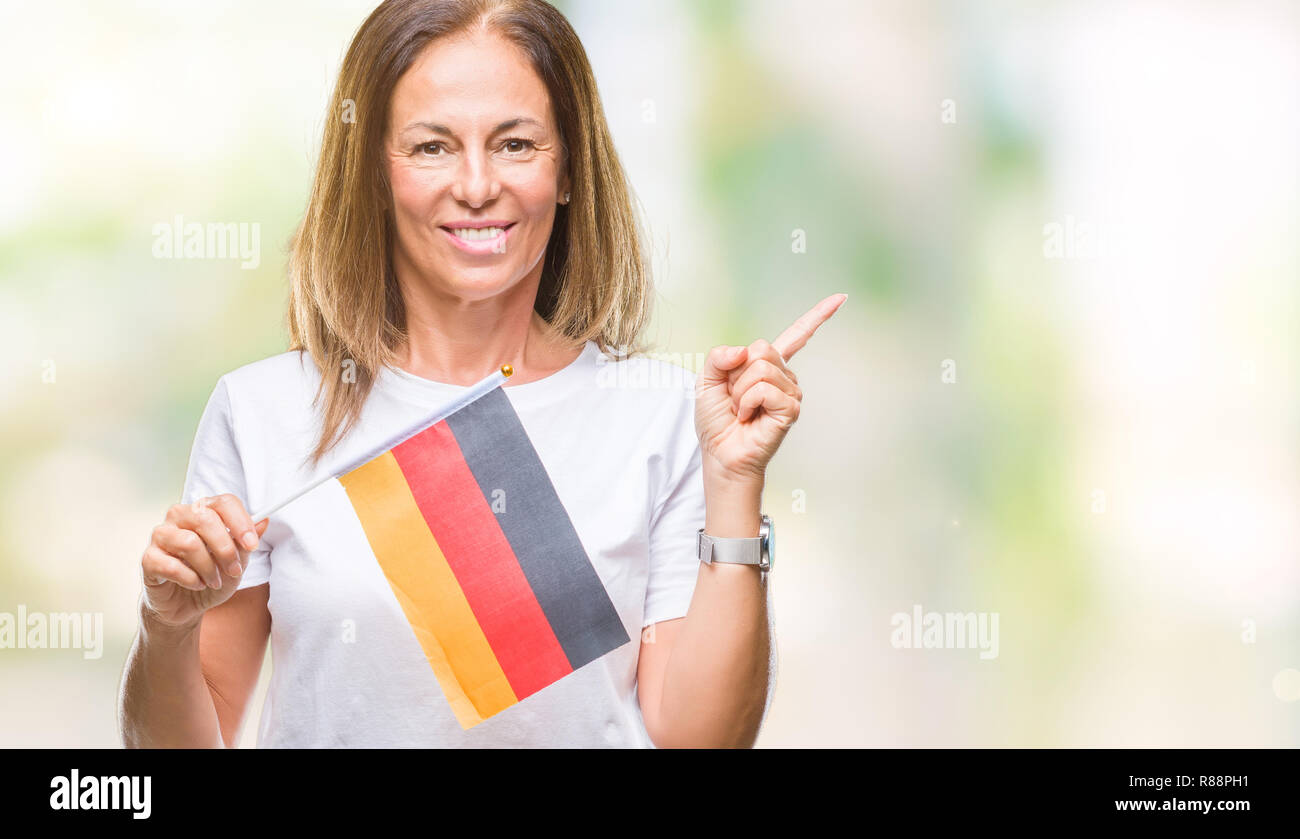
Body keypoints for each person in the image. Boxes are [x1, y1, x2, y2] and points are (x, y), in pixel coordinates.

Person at [117, 0, 844, 748]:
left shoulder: (666, 417)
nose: (475, 184)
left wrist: (733, 486)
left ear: (567, 170)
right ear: (374, 170)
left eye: (516, 144)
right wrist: (164, 625)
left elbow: (701, 740)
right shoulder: (263, 411)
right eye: (432, 147)